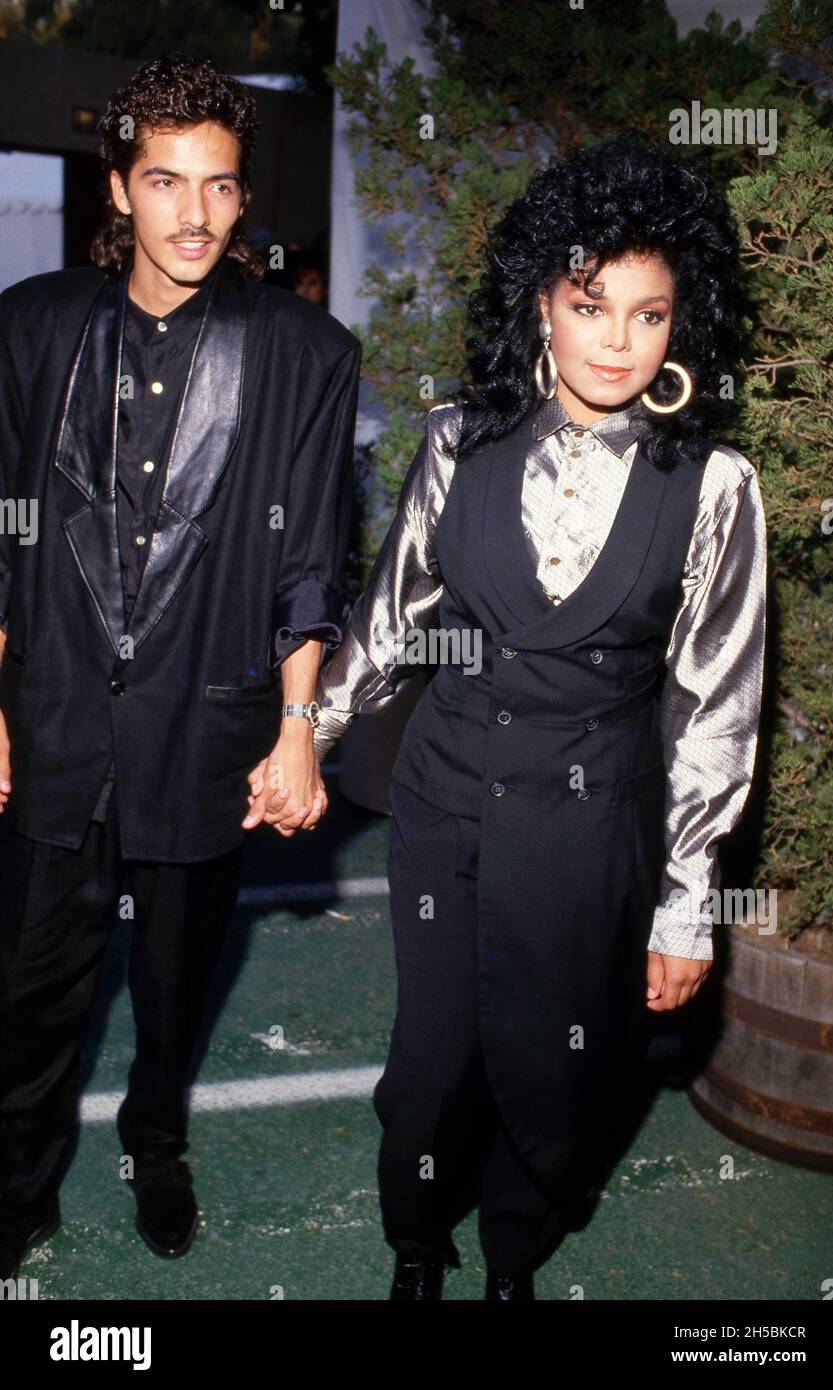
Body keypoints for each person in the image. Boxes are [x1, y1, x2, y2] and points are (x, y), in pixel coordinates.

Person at [311, 137, 767, 1300]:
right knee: (432, 1061)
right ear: (540, 308)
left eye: (649, 312)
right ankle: (418, 1241)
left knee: (558, 1067)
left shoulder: (715, 487)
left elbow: (715, 708)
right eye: (589, 303)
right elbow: (389, 618)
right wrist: (297, 736)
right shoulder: (457, 440)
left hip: (589, 829)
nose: (618, 337)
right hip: (445, 800)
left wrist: (687, 909)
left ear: (683, 326)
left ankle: (514, 1252)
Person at [0, 55, 360, 1279]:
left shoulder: (307, 354)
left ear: (243, 193)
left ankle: (158, 1140)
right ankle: (18, 1179)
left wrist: (299, 723)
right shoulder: (31, 327)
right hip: (51, 719)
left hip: (206, 727)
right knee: (33, 986)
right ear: (120, 186)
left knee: (172, 983)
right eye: (164, 181)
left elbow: (310, 557)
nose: (194, 214)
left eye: (217, 185)